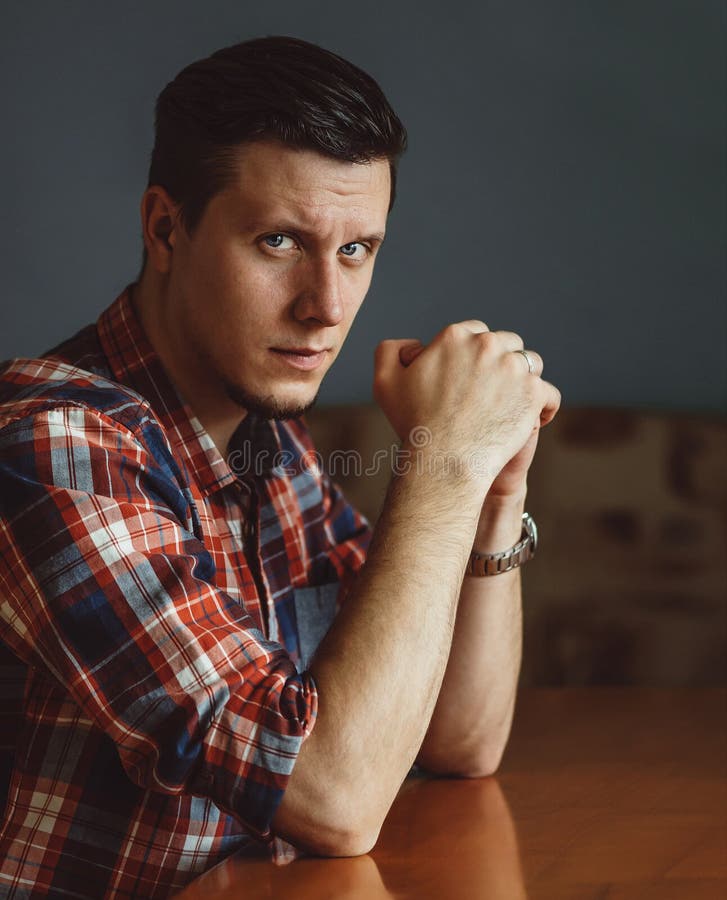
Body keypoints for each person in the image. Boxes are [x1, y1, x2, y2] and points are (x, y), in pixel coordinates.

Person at [0, 35, 560, 898]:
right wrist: (441, 458)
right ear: (165, 228)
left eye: (355, 250)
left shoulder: (263, 438)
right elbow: (335, 796)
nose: (323, 307)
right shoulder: (56, 446)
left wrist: (493, 488)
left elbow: (458, 740)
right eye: (276, 241)